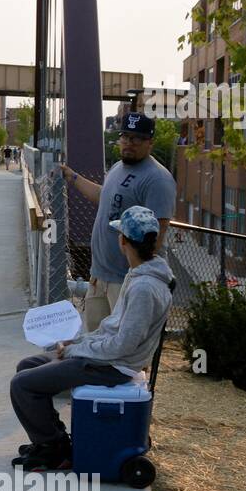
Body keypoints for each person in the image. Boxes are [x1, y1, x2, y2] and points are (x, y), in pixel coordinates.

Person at [9, 206, 174, 471]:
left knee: (22, 385)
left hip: (112, 367)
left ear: (123, 241)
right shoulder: (139, 274)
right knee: (27, 366)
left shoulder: (145, 287)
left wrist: (77, 352)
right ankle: (50, 440)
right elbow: (113, 330)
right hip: (105, 358)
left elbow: (123, 345)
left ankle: (55, 448)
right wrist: (78, 343)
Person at [59, 112, 175, 332]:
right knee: (95, 342)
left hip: (127, 281)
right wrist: (73, 177)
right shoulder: (118, 168)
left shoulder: (158, 179)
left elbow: (157, 234)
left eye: (136, 138)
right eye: (125, 136)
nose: (129, 143)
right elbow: (105, 197)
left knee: (126, 348)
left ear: (150, 142)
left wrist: (137, 279)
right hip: (100, 275)